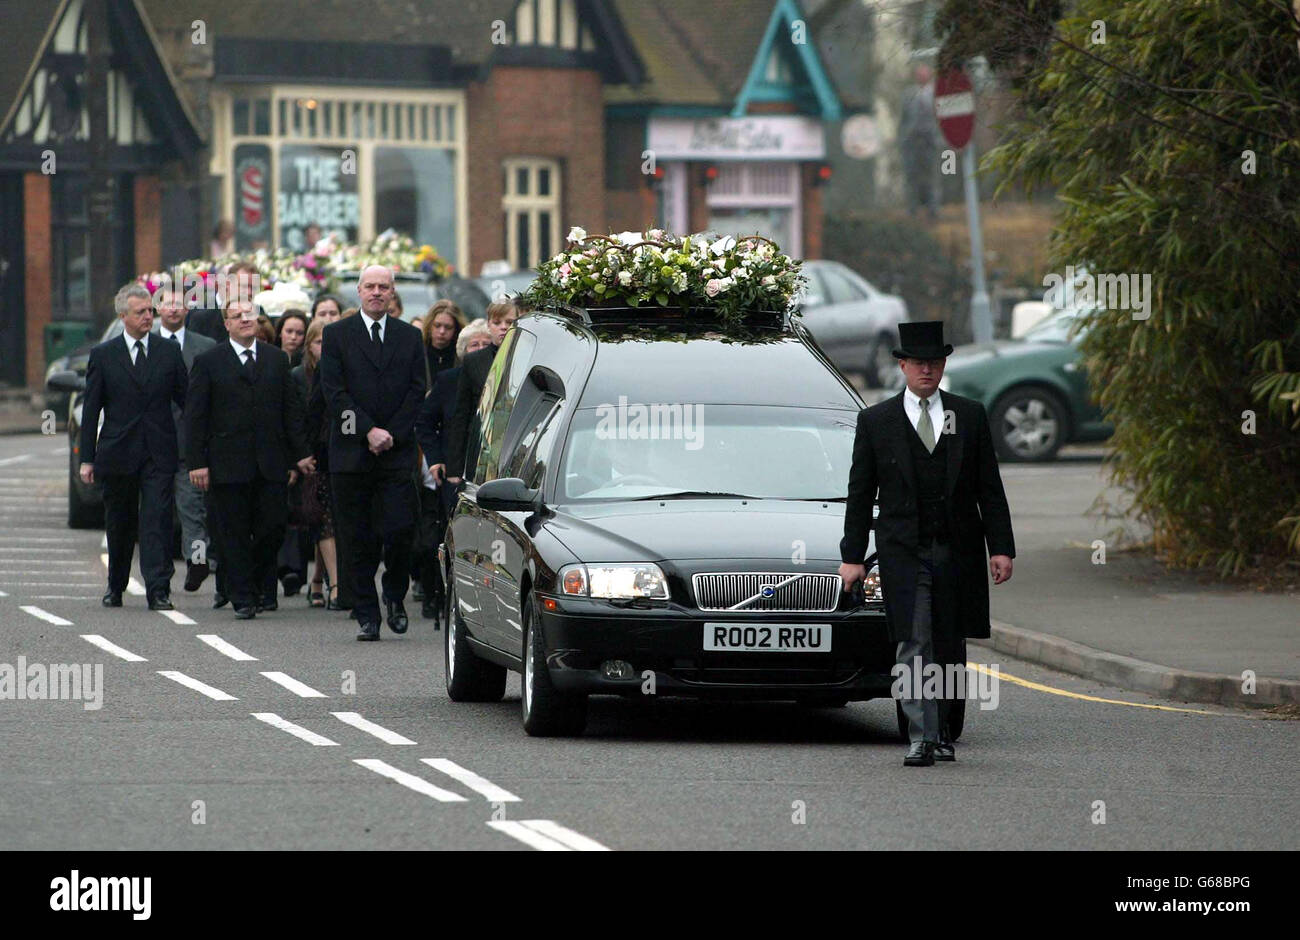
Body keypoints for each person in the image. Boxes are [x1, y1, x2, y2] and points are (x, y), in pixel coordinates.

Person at [838, 320, 1016, 767]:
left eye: (935, 363)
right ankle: (921, 736)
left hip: (956, 550)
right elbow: (860, 493)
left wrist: (1001, 547)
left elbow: (988, 488)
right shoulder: (876, 421)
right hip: (903, 551)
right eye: (919, 363)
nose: (927, 371)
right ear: (901, 366)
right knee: (913, 642)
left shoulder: (968, 415)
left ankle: (942, 732)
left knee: (949, 643)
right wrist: (852, 557)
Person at [185, 295, 314, 619]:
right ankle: (242, 595)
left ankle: (251, 580)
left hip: (270, 463)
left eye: (250, 314)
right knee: (233, 531)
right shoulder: (209, 361)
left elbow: (290, 411)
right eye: (237, 315)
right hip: (226, 463)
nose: (245, 319)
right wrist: (197, 462)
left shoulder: (275, 360)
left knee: (272, 527)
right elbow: (196, 416)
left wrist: (299, 454)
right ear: (226, 324)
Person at [319, 264, 427, 640]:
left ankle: (394, 595)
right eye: (370, 287)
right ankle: (367, 613)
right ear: (359, 292)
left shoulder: (410, 337)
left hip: (395, 453)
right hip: (351, 454)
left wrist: (390, 434)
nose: (377, 292)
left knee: (400, 529)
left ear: (393, 293)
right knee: (357, 537)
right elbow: (334, 393)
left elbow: (417, 391)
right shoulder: (336, 336)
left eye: (384, 287)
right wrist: (367, 430)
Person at [80, 284, 188, 610]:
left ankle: (158, 589)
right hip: (117, 452)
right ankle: (116, 584)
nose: (148, 317)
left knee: (156, 520)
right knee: (120, 521)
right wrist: (88, 459)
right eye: (140, 312)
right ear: (123, 316)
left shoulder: (168, 352)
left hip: (158, 451)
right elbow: (91, 410)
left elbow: (187, 400)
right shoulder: (103, 355)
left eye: (149, 311)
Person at [414, 320, 492, 623]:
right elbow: (425, 422)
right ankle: (439, 595)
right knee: (449, 536)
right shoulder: (449, 381)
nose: (481, 350)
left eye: (486, 345)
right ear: (463, 352)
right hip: (455, 472)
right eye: (475, 345)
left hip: (489, 470)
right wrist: (437, 460)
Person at [156, 286, 217, 593]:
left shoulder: (205, 347)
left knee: (193, 510)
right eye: (167, 304)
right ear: (158, 309)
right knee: (156, 512)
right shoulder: (146, 344)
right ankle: (160, 574)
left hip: (188, 444)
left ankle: (197, 561)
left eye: (180, 305)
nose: (174, 309)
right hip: (152, 444)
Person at [294, 318, 344, 609]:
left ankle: (319, 577)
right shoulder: (299, 376)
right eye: (319, 342)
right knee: (323, 518)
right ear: (309, 346)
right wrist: (300, 455)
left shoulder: (343, 370)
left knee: (336, 520)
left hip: (340, 451)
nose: (325, 348)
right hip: (315, 455)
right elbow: (301, 419)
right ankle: (335, 584)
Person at [446, 302, 519, 488]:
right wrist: (454, 468)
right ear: (489, 325)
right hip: (481, 450)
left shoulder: (528, 356)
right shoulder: (474, 361)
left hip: (517, 446)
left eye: (509, 321)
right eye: (497, 322)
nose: (503, 327)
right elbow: (461, 414)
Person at [898, 63, 941, 223]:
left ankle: (933, 210)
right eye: (919, 74)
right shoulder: (908, 94)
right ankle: (912, 210)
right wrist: (903, 139)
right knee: (911, 177)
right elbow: (903, 120)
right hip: (912, 142)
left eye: (924, 74)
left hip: (931, 141)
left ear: (929, 75)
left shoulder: (936, 94)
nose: (922, 77)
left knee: (932, 176)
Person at [186, 262, 261, 342]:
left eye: (253, 287)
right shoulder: (202, 319)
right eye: (243, 286)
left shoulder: (260, 314)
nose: (249, 292)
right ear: (228, 285)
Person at [421, 300, 464, 388]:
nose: (442, 331)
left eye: (448, 327)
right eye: (437, 325)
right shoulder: (418, 353)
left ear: (456, 330)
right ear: (429, 326)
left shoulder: (461, 357)